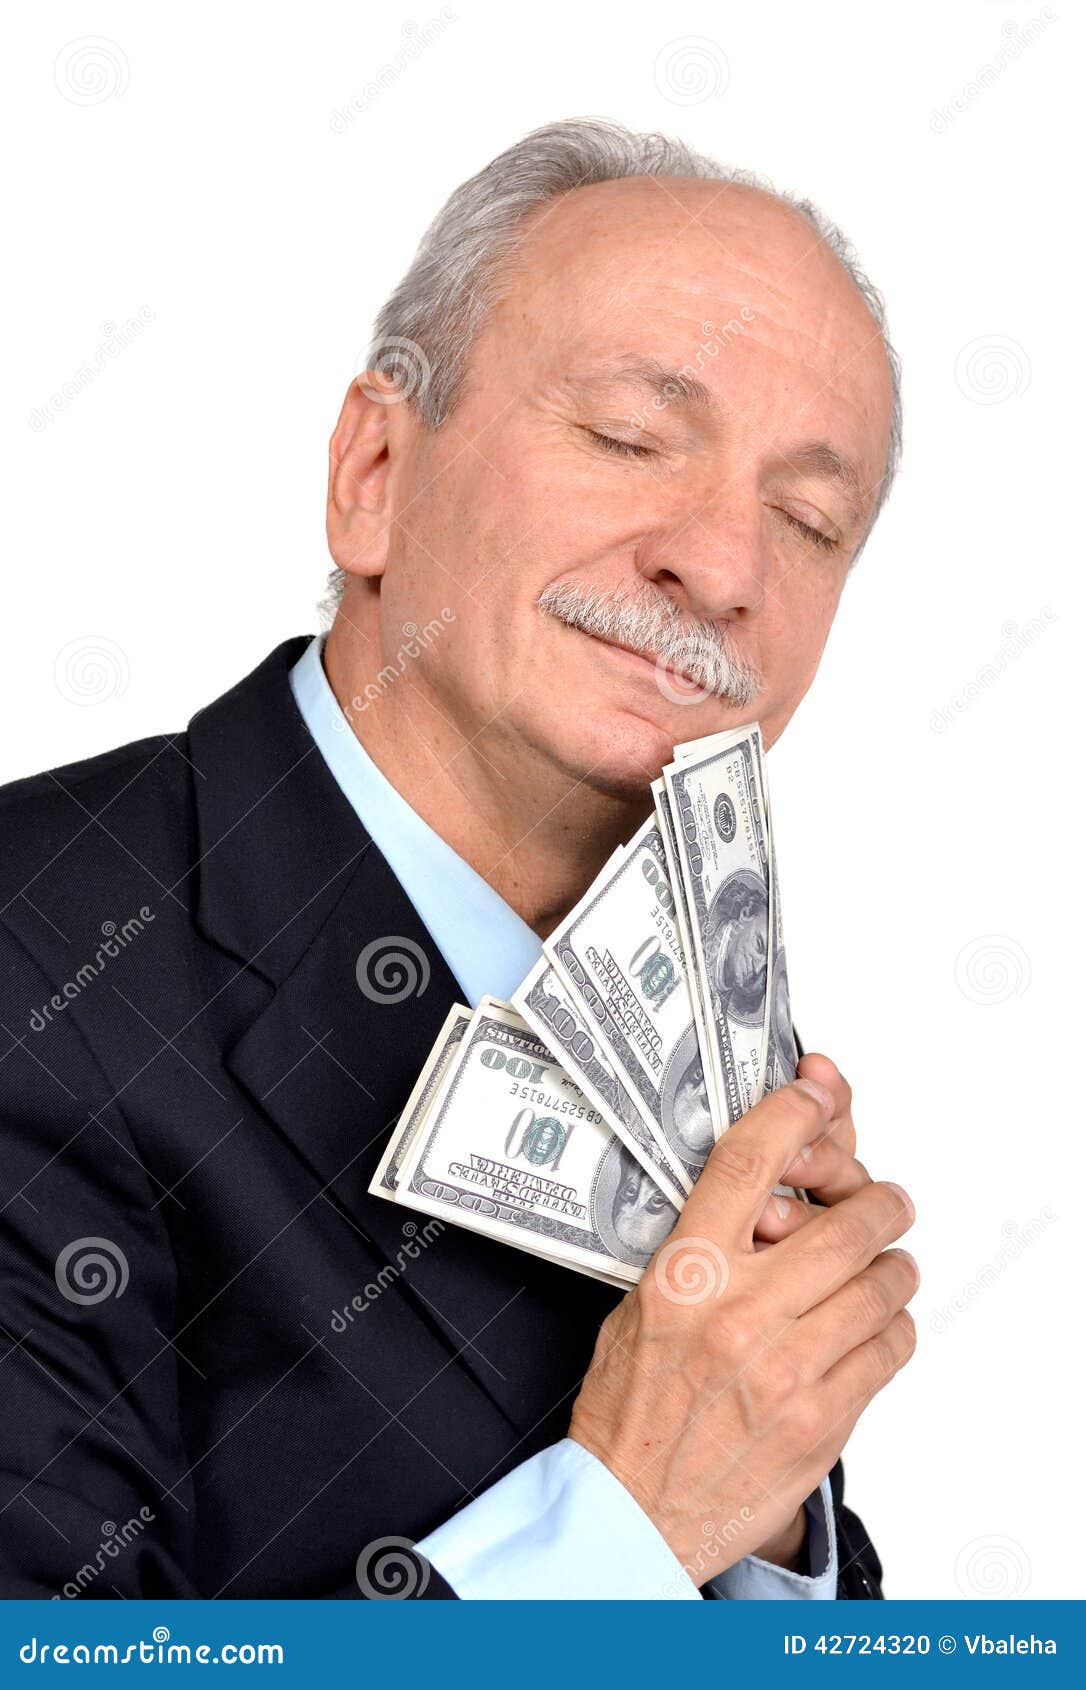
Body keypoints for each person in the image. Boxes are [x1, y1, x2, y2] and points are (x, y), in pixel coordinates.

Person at [0, 119, 916, 1601]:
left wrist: (767, 1526)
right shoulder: (39, 966)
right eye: (629, 438)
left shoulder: (712, 1064)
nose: (728, 568)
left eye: (807, 520)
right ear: (373, 467)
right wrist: (631, 1528)